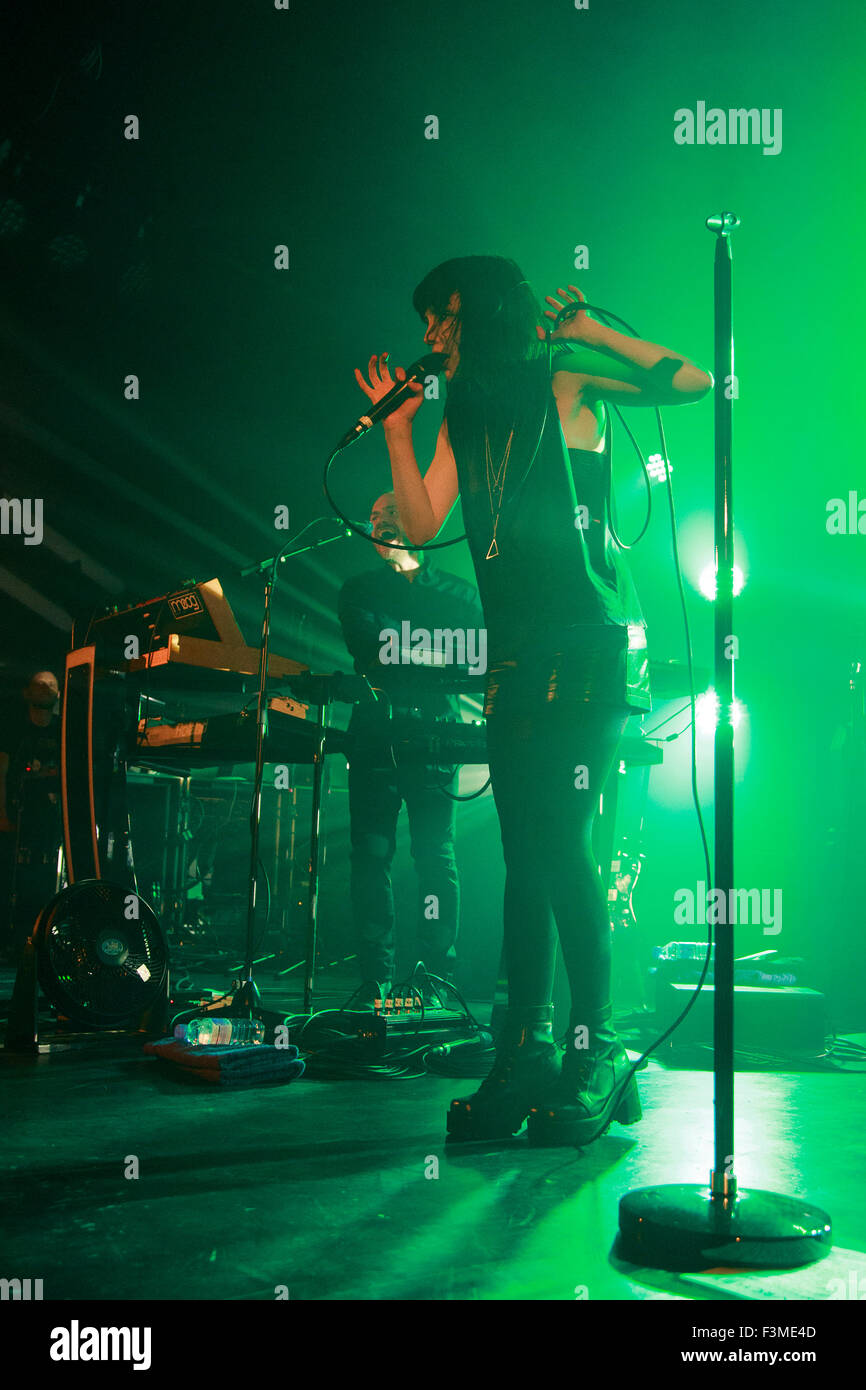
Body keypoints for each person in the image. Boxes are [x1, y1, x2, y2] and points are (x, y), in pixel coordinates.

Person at [353, 256, 712, 1144]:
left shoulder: (560, 370)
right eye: (428, 321)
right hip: (512, 652)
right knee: (524, 852)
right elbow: (426, 522)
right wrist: (400, 431)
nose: (431, 334)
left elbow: (694, 381)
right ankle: (525, 1052)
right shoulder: (462, 408)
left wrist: (591, 331)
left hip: (589, 641)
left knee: (558, 844)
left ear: (477, 308)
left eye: (441, 315)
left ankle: (598, 1051)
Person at [338, 490, 484, 1007]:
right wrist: (434, 652)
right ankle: (375, 978)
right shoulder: (356, 589)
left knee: (434, 853)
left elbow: (473, 659)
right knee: (372, 854)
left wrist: (408, 651)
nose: (379, 523)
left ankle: (434, 977)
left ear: (423, 520)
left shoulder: (462, 595)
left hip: (437, 738)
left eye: (392, 514)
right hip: (377, 736)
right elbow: (373, 649)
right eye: (373, 516)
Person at [0, 669, 63, 959]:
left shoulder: (61, 730)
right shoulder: (14, 729)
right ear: (28, 693)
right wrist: (2, 810)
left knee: (45, 875)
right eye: (40, 684)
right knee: (12, 875)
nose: (45, 687)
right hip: (17, 815)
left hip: (49, 820)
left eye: (50, 684)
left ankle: (40, 934)